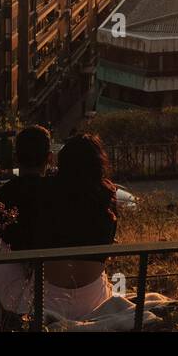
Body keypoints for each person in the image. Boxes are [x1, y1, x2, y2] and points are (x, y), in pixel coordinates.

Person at [0, 128, 118, 323]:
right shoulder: (107, 199)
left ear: (60, 162)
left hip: (41, 304)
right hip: (96, 301)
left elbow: (22, 239)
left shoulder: (46, 192)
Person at [40, 132, 119, 320]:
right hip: (93, 296)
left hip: (49, 296)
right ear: (98, 164)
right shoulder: (106, 195)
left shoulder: (47, 191)